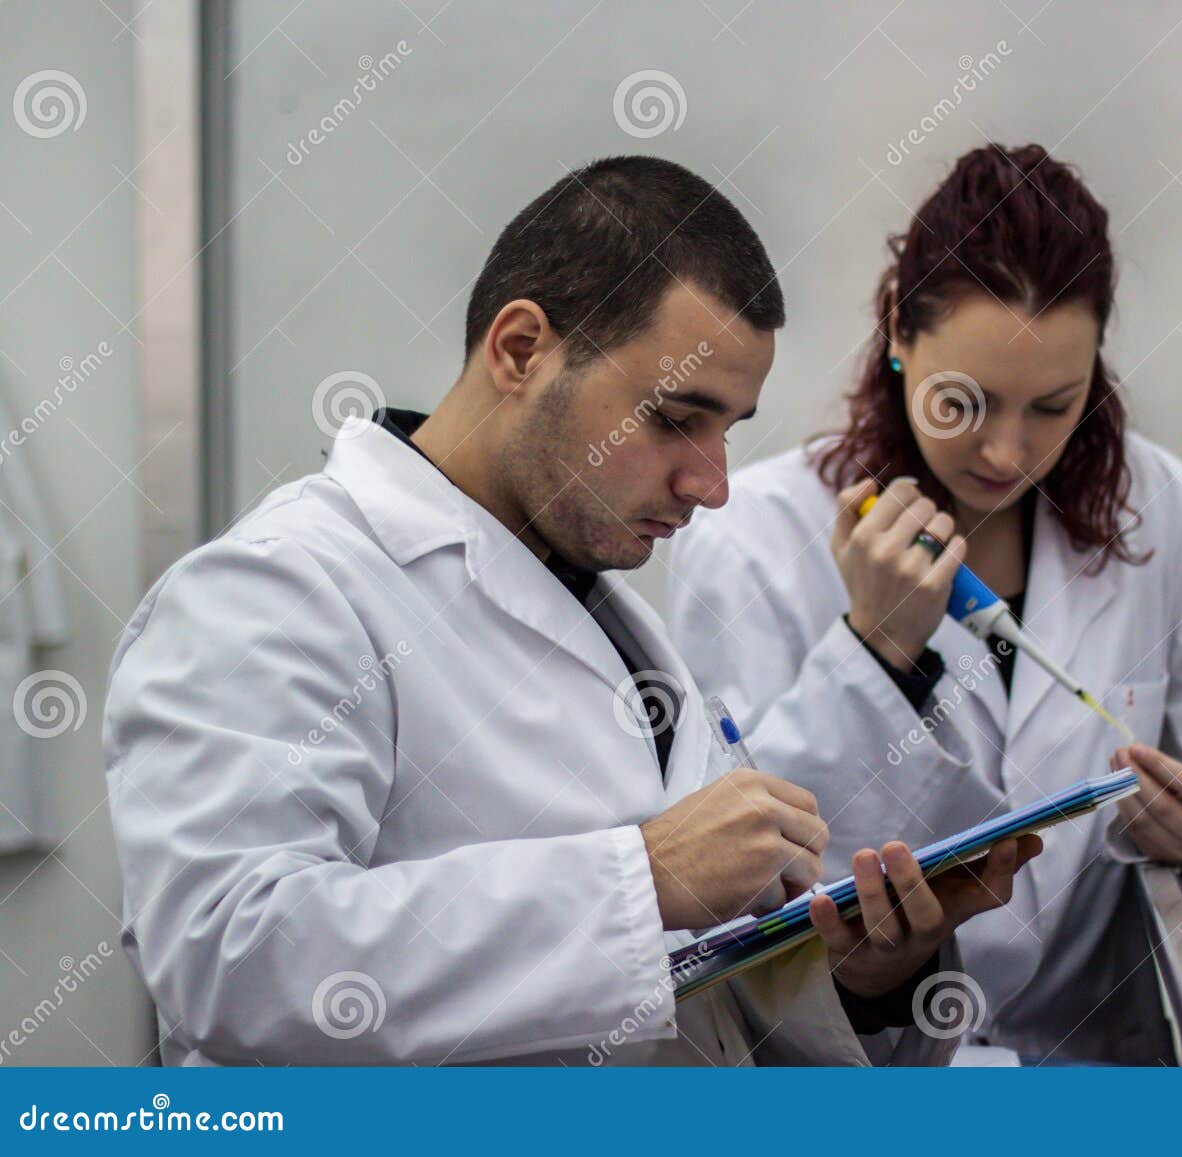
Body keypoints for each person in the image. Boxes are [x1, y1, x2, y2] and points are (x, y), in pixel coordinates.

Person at [102, 155, 1040, 1067]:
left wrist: (867, 976)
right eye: (675, 418)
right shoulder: (279, 588)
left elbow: (682, 998)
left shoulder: (605, 609)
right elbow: (228, 954)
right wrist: (645, 876)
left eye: (727, 431)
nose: (712, 484)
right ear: (520, 350)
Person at [667, 143, 1182, 1064]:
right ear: (898, 331)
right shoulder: (754, 538)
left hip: (1091, 1066)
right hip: (866, 1073)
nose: (1006, 452)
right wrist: (876, 648)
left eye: (1052, 405)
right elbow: (737, 889)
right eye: (964, 402)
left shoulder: (1154, 513)